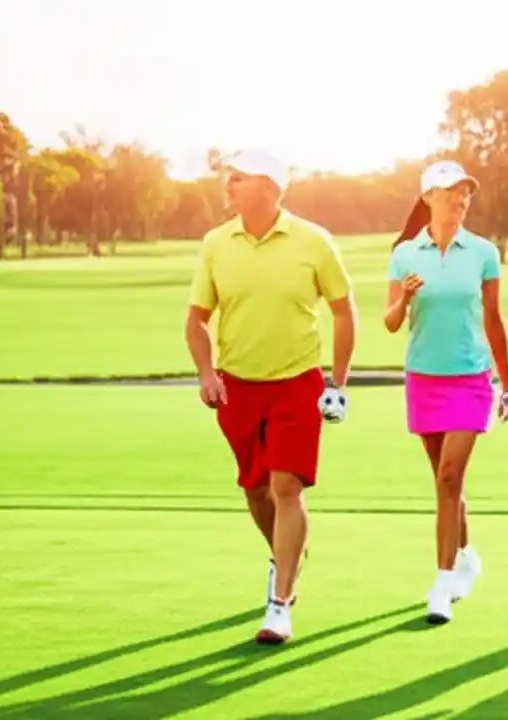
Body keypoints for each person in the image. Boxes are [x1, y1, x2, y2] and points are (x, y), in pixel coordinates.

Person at [185, 149, 358, 644]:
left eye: (237, 179)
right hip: (236, 387)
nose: (228, 186)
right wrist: (205, 372)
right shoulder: (216, 243)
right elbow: (196, 319)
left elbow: (344, 312)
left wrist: (338, 382)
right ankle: (287, 554)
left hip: (296, 384)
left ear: (269, 187)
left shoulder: (313, 241)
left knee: (286, 489)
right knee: (255, 489)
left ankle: (279, 603)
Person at [384, 160, 508, 625]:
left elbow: (494, 320)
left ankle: (442, 583)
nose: (460, 200)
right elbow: (391, 321)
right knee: (446, 481)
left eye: (465, 194)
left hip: (469, 377)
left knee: (448, 478)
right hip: (423, 377)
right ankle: (465, 555)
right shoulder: (405, 255)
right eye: (450, 193)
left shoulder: (482, 252)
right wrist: (407, 297)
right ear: (428, 199)